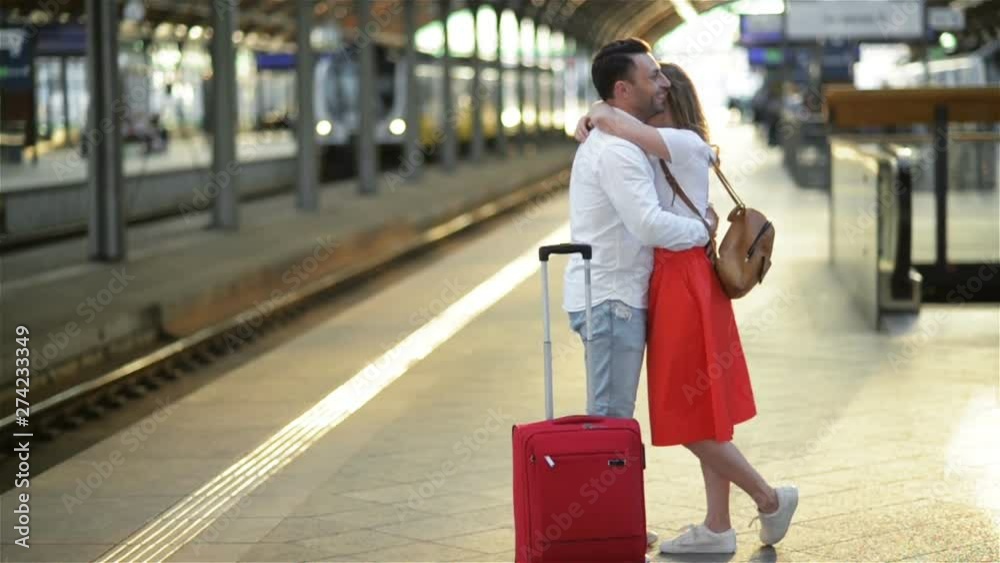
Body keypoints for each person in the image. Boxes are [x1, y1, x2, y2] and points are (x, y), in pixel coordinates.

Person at [576, 62, 798, 555]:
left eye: (659, 88)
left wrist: (596, 113)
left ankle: (768, 499)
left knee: (684, 409)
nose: (652, 95)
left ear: (671, 100)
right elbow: (614, 119)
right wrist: (595, 114)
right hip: (682, 279)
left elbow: (614, 120)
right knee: (703, 408)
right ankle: (718, 527)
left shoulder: (683, 145)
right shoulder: (662, 144)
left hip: (683, 281)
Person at [563, 39, 711, 552]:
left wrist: (594, 115)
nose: (661, 83)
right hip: (611, 301)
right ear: (625, 89)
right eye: (652, 76)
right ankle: (604, 529)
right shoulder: (621, 150)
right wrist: (702, 231)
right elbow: (647, 224)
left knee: (613, 420)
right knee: (609, 421)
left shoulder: (619, 139)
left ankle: (614, 523)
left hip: (614, 298)